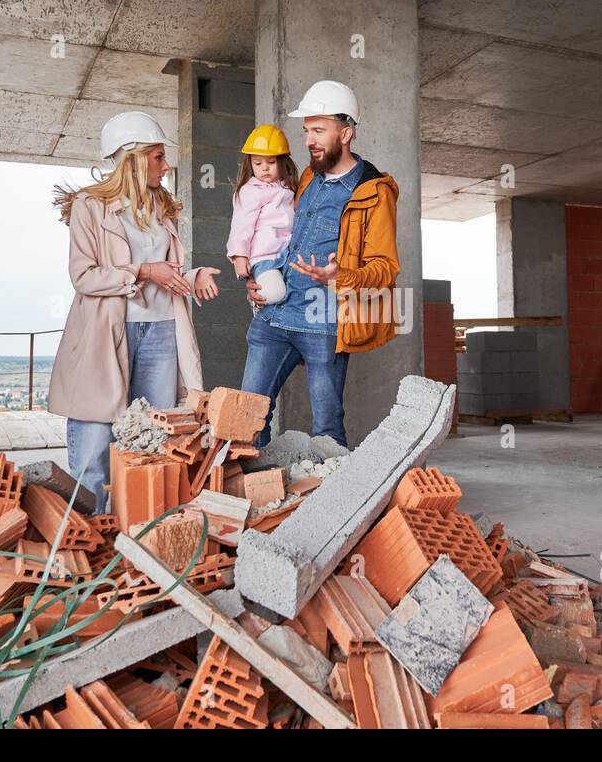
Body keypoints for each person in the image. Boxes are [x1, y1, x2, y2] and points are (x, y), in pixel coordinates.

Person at [47, 111, 220, 514]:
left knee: (154, 442)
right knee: (95, 447)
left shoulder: (163, 208)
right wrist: (142, 271)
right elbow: (84, 277)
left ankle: (141, 538)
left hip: (161, 334)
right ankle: (91, 539)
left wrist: (190, 277)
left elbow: (167, 271)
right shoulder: (91, 207)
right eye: (159, 157)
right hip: (109, 334)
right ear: (134, 158)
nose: (167, 165)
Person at [240, 80, 400, 448]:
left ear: (345, 133)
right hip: (274, 316)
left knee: (327, 431)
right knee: (246, 419)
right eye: (306, 131)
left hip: (324, 322)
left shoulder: (375, 192)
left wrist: (339, 275)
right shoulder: (308, 176)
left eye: (318, 130)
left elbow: (385, 267)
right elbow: (281, 236)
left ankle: (329, 503)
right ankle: (261, 499)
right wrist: (259, 276)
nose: (309, 140)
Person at [226, 123, 298, 308]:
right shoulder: (250, 191)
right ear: (250, 163)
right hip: (264, 256)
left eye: (271, 162)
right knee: (275, 294)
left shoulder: (288, 188)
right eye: (258, 163)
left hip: (288, 253)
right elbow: (241, 226)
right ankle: (259, 307)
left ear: (283, 162)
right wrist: (239, 256)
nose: (264, 168)